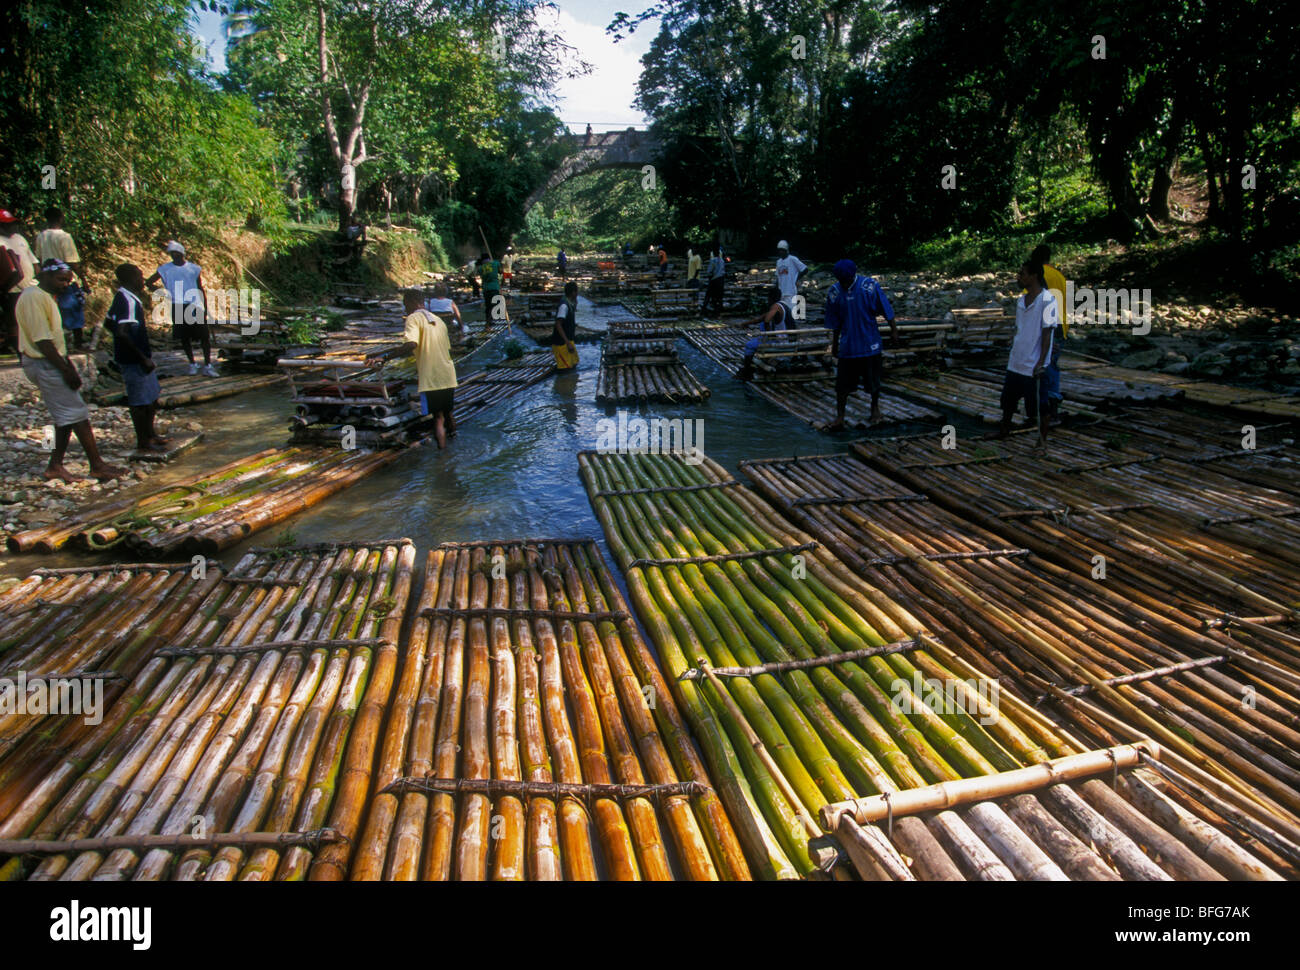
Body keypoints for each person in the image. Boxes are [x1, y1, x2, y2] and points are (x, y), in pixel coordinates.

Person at [17, 259, 126, 481]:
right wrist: (66, 370)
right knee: (77, 414)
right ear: (45, 275)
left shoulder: (45, 297)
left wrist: (68, 367)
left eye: (68, 280)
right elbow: (42, 341)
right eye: (61, 279)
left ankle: (55, 465)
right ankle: (96, 465)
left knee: (65, 416)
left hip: (52, 361)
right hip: (44, 362)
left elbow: (53, 340)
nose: (65, 284)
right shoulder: (33, 297)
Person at [375, 289, 457, 449]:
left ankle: (443, 459)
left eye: (405, 305)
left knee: (438, 418)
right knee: (448, 412)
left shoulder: (413, 318)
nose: (405, 309)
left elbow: (411, 344)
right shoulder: (438, 320)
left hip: (432, 377)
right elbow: (445, 348)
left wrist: (385, 358)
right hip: (448, 374)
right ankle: (454, 439)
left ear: (411, 303)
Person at [824, 259, 900, 429]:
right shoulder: (834, 292)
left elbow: (886, 309)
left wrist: (894, 330)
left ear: (853, 276)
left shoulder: (870, 287)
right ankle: (840, 417)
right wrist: (834, 344)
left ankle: (875, 409)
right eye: (841, 280)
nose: (844, 283)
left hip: (869, 343)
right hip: (848, 346)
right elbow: (834, 322)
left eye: (847, 280)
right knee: (842, 385)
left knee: (873, 382)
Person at [992, 257, 1059, 446]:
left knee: (1039, 406)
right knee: (1008, 401)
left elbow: (1047, 334)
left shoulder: (1048, 300)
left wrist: (1041, 363)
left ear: (1034, 276)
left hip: (1033, 363)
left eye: (1022, 273)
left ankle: (1042, 442)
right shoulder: (1022, 300)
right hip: (1017, 360)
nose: (1019, 277)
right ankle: (1004, 430)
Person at [104, 263, 168, 453]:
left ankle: (150, 434)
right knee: (140, 402)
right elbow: (122, 333)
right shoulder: (128, 301)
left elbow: (109, 322)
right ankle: (143, 442)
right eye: (140, 276)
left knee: (152, 396)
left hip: (137, 357)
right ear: (130, 278)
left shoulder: (124, 297)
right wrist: (142, 358)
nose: (142, 280)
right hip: (134, 360)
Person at [146, 241, 216, 376]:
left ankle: (208, 365)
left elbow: (199, 288)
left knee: (204, 336)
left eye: (177, 254)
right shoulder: (165, 269)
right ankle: (192, 364)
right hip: (178, 305)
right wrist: (162, 293)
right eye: (172, 254)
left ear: (182, 253)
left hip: (195, 304)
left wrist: (205, 306)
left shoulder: (194, 269)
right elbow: (148, 282)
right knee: (184, 337)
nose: (174, 256)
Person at [34, 207, 91, 348]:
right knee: (74, 308)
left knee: (56, 309)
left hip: (50, 278)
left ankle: (61, 339)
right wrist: (83, 279)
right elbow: (71, 261)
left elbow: (39, 258)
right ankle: (78, 341)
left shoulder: (41, 236)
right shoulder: (64, 237)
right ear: (60, 218)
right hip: (65, 278)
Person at [1030, 243, 1068, 423]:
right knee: (1053, 366)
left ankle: (1046, 409)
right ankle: (1051, 406)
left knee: (1044, 365)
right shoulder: (1059, 275)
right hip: (1062, 326)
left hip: (1045, 327)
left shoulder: (1037, 275)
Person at [1, 209, 37, 354]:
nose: (12, 227)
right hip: (11, 289)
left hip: (30, 286)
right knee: (14, 321)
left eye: (13, 223)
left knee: (33, 318)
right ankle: (20, 350)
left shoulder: (20, 239)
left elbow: (33, 261)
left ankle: (33, 348)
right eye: (7, 224)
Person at [737, 285, 790, 381]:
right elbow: (761, 318)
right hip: (786, 339)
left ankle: (746, 372)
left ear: (770, 298)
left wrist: (768, 335)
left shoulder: (775, 306)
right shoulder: (782, 305)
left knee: (749, 345)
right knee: (761, 324)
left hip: (780, 342)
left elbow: (766, 320)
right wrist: (745, 323)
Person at [550, 281, 580, 371]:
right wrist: (567, 343)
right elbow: (558, 324)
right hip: (561, 343)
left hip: (568, 340)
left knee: (574, 364)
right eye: (577, 292)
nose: (578, 294)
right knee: (565, 369)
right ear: (573, 292)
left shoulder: (569, 303)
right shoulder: (564, 306)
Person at [775, 240, 806, 309]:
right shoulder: (778, 262)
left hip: (790, 290)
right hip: (782, 291)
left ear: (786, 250)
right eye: (779, 250)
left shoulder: (792, 259)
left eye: (782, 250)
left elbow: (804, 269)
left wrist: (796, 279)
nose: (781, 252)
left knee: (791, 311)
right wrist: (777, 288)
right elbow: (778, 276)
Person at [701, 245, 727, 316]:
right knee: (719, 296)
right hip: (721, 280)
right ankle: (718, 311)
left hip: (714, 280)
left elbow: (709, 271)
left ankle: (703, 310)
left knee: (708, 295)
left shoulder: (712, 261)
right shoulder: (722, 261)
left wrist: (710, 277)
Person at [478, 252, 501, 326]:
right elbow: (500, 270)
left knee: (488, 306)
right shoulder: (495, 263)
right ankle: (492, 319)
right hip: (494, 287)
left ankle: (488, 320)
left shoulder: (481, 268)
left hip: (486, 289)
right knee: (495, 304)